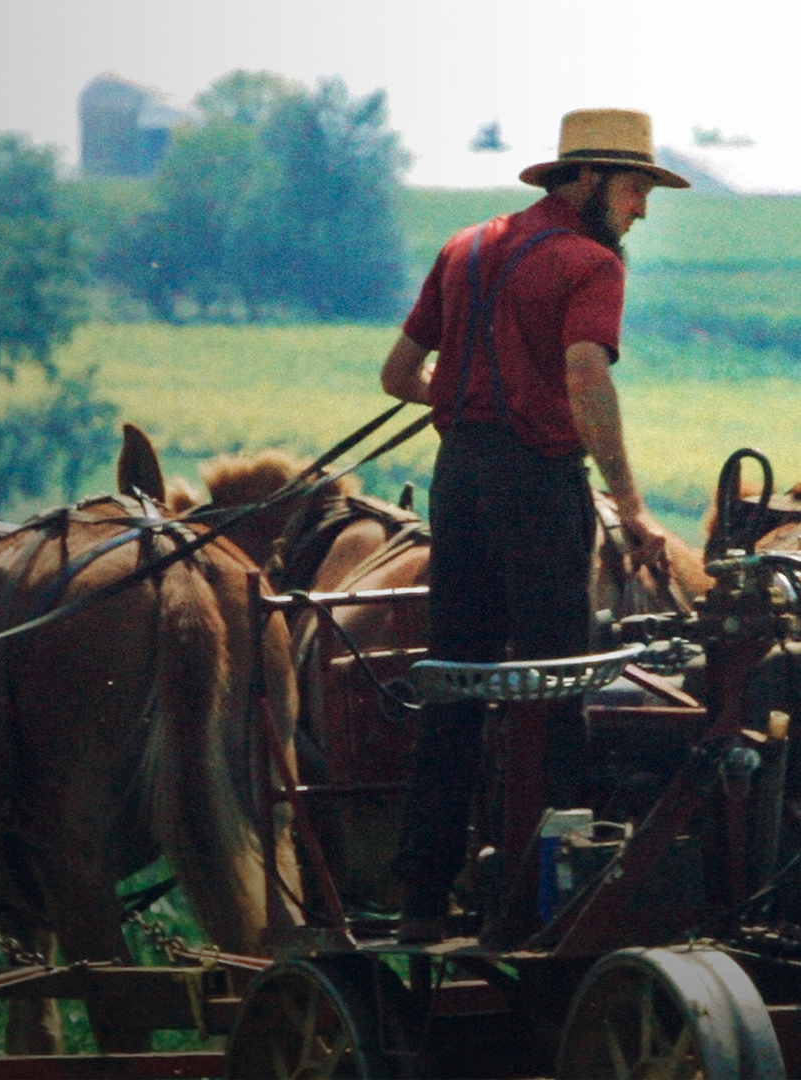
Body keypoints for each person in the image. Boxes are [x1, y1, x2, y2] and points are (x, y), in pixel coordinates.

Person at [379, 108, 689, 943]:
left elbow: (397, 375)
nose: (641, 210)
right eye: (633, 188)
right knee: (563, 685)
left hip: (459, 482)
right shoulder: (589, 265)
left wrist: (464, 395)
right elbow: (586, 375)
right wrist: (631, 508)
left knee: (455, 680)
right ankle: (561, 903)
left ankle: (421, 895)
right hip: (538, 485)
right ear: (584, 180)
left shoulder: (463, 248)